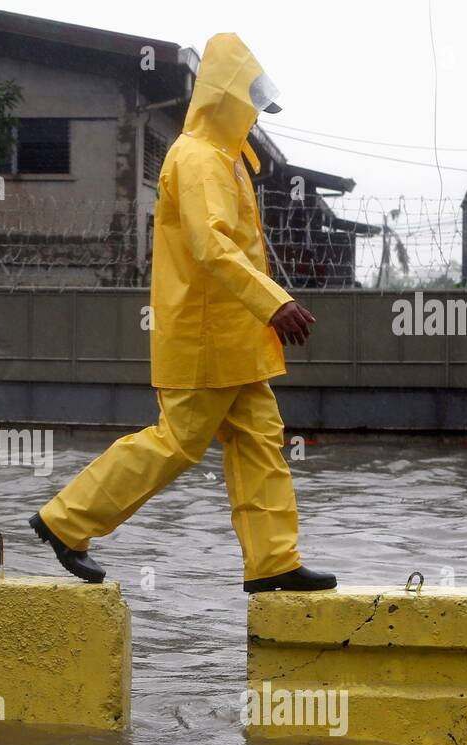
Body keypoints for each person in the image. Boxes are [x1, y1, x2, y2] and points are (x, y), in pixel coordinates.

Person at [29, 34, 336, 594]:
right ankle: (64, 521)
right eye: (250, 102)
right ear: (227, 97)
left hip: (235, 342)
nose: (254, 115)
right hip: (205, 338)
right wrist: (277, 302)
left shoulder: (227, 160)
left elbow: (231, 250)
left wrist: (265, 310)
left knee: (260, 443)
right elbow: (212, 247)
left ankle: (273, 563)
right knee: (177, 442)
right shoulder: (198, 159)